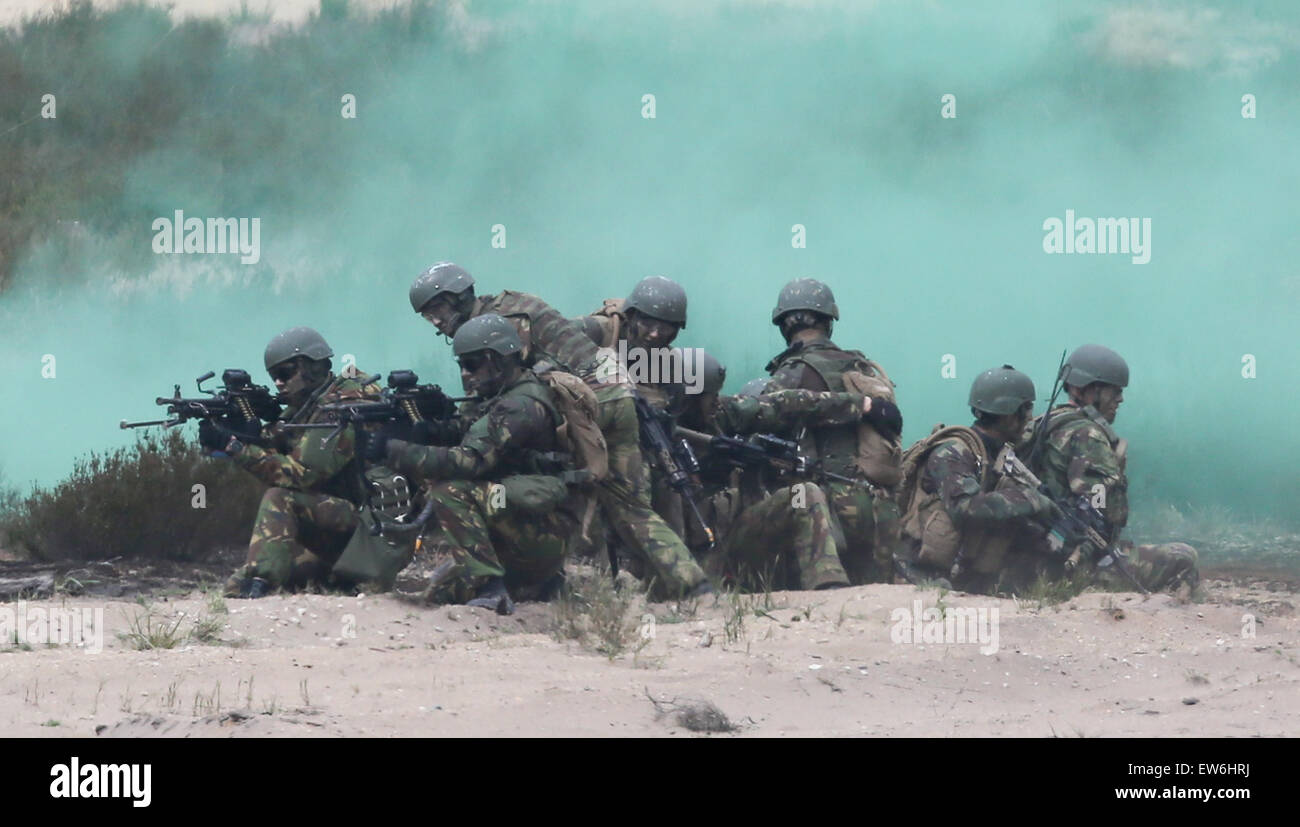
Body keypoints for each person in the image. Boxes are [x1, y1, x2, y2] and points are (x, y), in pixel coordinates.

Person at [407, 262, 711, 598]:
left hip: (587, 405)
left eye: (437, 309)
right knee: (632, 507)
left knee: (525, 474)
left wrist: (458, 428)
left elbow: (509, 388)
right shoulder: (510, 307)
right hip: (618, 398)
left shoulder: (499, 324)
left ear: (459, 297)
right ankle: (694, 588)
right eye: (427, 315)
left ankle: (523, 578)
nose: (435, 321)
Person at [368, 314, 584, 615]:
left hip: (546, 530)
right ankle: (537, 583)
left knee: (451, 491)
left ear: (497, 361)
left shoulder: (521, 405)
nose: (465, 374)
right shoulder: (499, 398)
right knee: (439, 592)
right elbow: (471, 430)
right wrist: (428, 430)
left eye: (471, 365)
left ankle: (491, 588)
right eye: (461, 365)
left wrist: (396, 450)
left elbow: (472, 461)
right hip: (525, 524)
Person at [675, 351, 873, 591]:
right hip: (690, 557)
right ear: (688, 398)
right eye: (710, 396)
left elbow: (785, 404)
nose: (717, 401)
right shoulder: (653, 434)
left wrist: (858, 404)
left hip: (736, 540)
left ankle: (827, 584)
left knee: (804, 494)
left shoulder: (724, 414)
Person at [213, 327, 379, 598]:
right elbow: (277, 441)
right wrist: (240, 432)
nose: (278, 383)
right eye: (274, 377)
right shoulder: (307, 408)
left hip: (367, 525)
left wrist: (236, 448)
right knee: (235, 586)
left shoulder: (342, 407)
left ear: (313, 367)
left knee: (280, 498)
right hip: (338, 526)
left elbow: (303, 474)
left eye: (285, 374)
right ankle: (337, 578)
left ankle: (261, 587)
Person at [763, 278, 904, 584]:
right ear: (829, 322)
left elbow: (761, 422)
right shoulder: (864, 368)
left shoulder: (792, 372)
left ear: (785, 325)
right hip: (884, 510)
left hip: (828, 512)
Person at [1027, 344, 1199, 593]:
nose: (1120, 398)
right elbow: (1107, 515)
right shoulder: (1089, 434)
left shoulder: (1045, 423)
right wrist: (1115, 476)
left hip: (1040, 553)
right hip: (1074, 562)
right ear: (1082, 389)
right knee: (1184, 557)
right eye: (1113, 390)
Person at [896, 365, 1056, 593]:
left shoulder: (998, 456)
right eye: (1026, 408)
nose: (1030, 416)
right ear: (1008, 412)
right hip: (919, 575)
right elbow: (966, 507)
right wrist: (1032, 501)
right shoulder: (952, 452)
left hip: (966, 579)